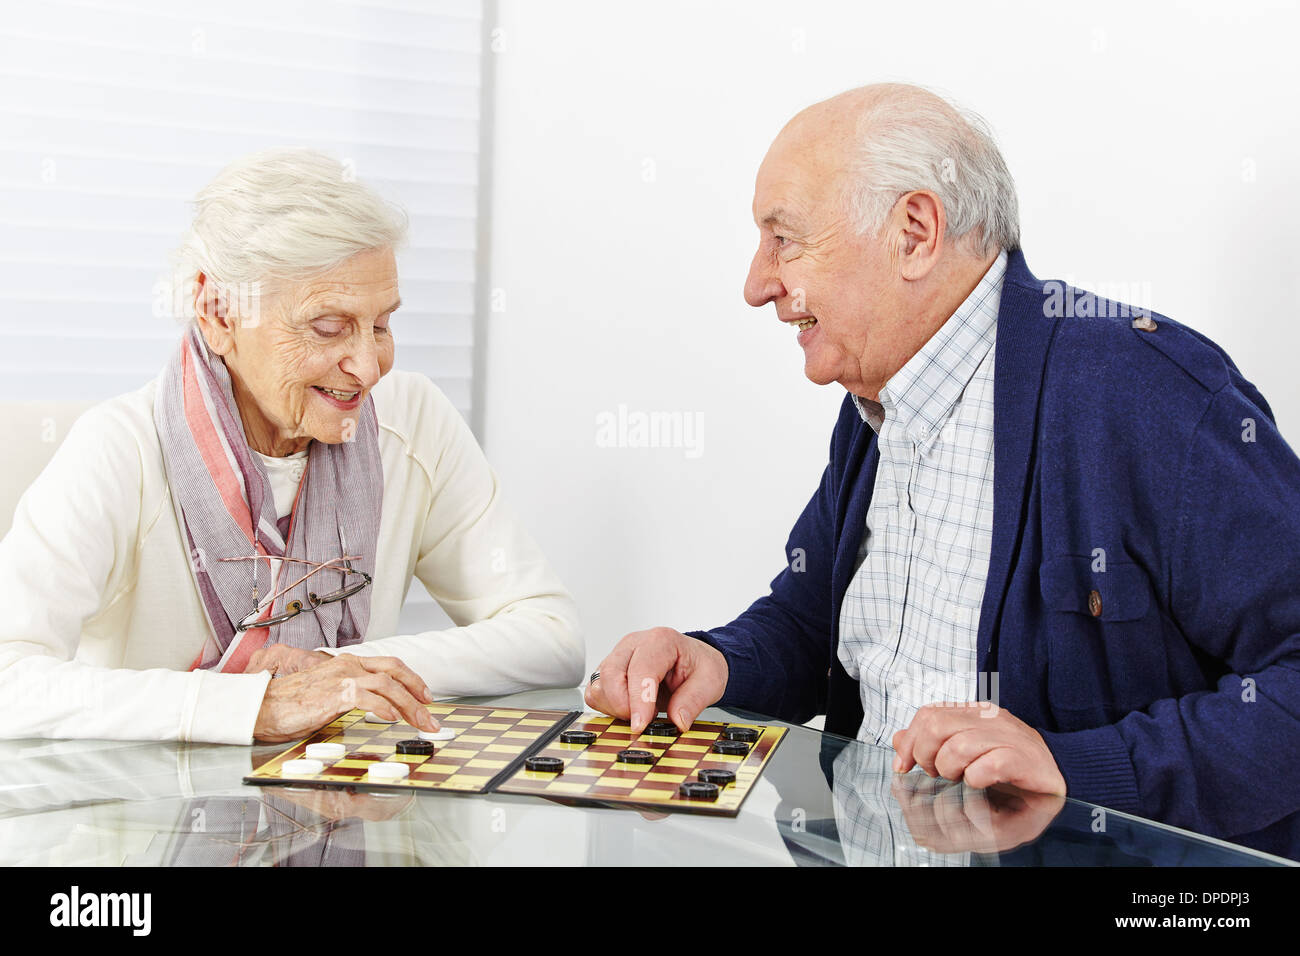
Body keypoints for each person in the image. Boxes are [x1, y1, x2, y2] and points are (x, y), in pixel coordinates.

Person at [586, 83, 1300, 857]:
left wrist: (1075, 769)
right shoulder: (874, 402)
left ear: (916, 233)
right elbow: (813, 622)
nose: (757, 284)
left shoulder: (1147, 395)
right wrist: (715, 661)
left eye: (784, 240)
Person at [0, 149, 583, 744]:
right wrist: (246, 705)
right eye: (328, 327)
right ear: (219, 311)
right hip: (146, 823)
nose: (367, 365)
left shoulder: (413, 421)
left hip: (349, 803)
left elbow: (551, 637)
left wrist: (337, 675)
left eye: (381, 325)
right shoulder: (118, 449)